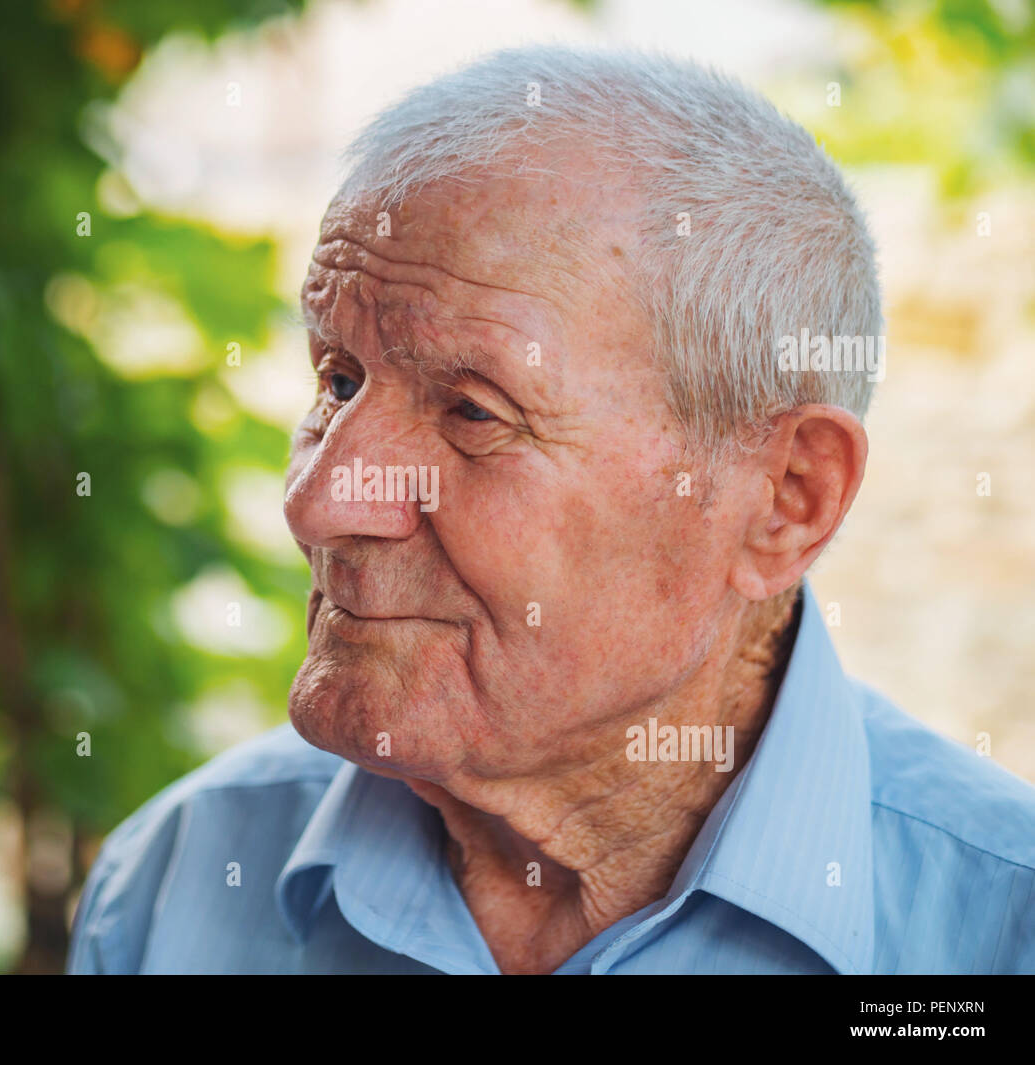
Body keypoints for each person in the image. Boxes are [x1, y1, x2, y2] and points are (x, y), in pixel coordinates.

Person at [67, 46, 1035, 974]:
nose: (319, 501)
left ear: (785, 501)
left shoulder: (999, 927)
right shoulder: (172, 889)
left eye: (472, 413)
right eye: (338, 378)